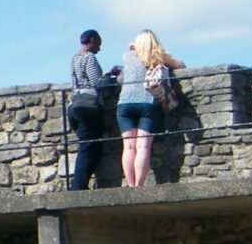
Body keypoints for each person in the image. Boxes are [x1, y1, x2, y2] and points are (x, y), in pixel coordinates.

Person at [117, 29, 184, 187]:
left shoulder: (127, 56)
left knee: (128, 146)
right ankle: (138, 185)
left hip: (124, 105)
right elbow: (181, 65)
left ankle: (130, 184)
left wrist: (133, 46)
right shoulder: (157, 56)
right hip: (147, 103)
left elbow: (129, 49)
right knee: (143, 146)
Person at [66, 30, 120, 190]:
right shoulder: (89, 58)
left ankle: (79, 184)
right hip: (88, 107)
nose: (99, 48)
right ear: (92, 40)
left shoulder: (75, 58)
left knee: (91, 147)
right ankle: (78, 187)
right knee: (88, 147)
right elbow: (96, 84)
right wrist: (111, 78)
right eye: (98, 44)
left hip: (75, 106)